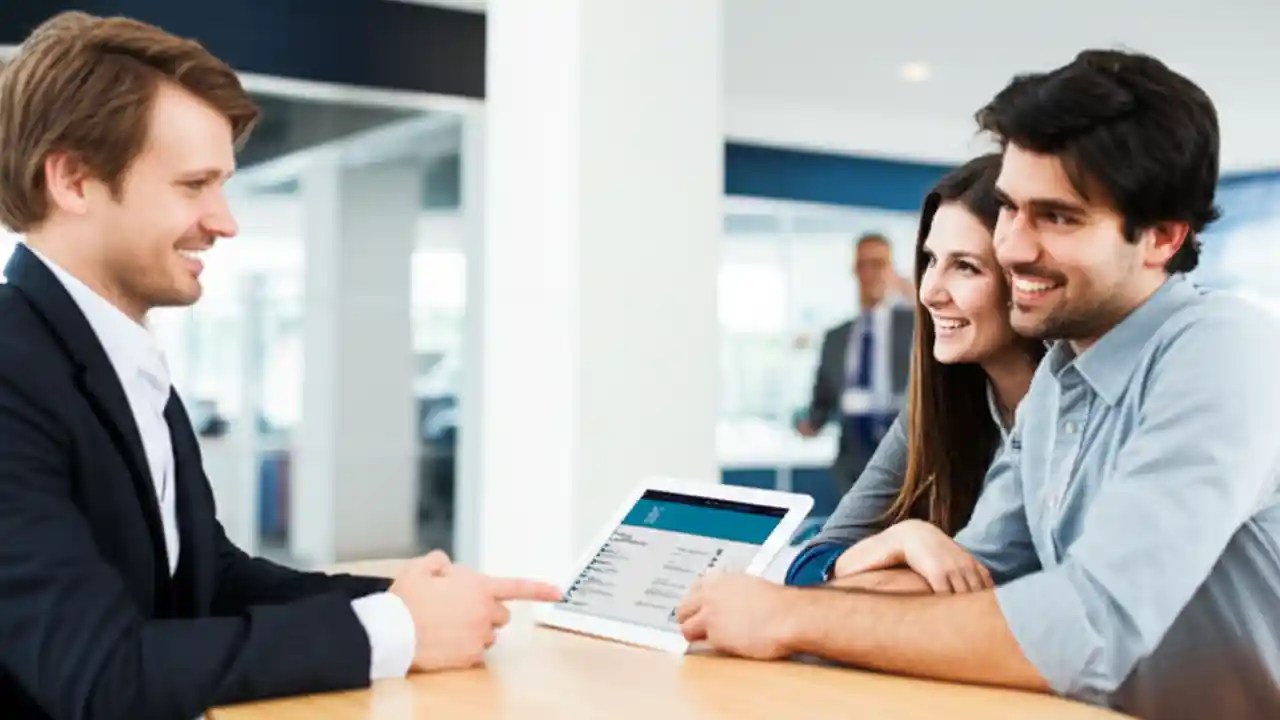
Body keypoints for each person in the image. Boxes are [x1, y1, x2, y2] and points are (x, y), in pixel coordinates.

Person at [676, 49, 1280, 718]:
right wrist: (736, 601)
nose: (1014, 246)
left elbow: (1089, 624)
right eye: (1011, 210)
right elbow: (966, 585)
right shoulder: (1059, 379)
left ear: (1163, 237)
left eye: (1056, 217)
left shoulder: (1224, 347)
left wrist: (791, 618)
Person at [0, 13, 559, 719]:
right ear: (74, 180)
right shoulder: (12, 370)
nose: (225, 220)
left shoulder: (118, 359)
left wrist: (401, 601)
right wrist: (395, 631)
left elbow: (209, 579)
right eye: (193, 184)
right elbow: (103, 674)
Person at [786, 154, 1044, 590]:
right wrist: (901, 540)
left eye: (965, 266)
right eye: (930, 260)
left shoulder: (1074, 416)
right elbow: (809, 567)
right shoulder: (934, 408)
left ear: (1029, 280)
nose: (929, 292)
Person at [795, 232, 914, 497]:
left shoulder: (915, 326)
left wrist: (913, 293)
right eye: (864, 264)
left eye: (879, 264)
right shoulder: (836, 337)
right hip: (852, 453)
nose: (871, 273)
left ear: (893, 271)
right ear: (854, 270)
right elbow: (822, 402)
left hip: (902, 444)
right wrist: (808, 423)